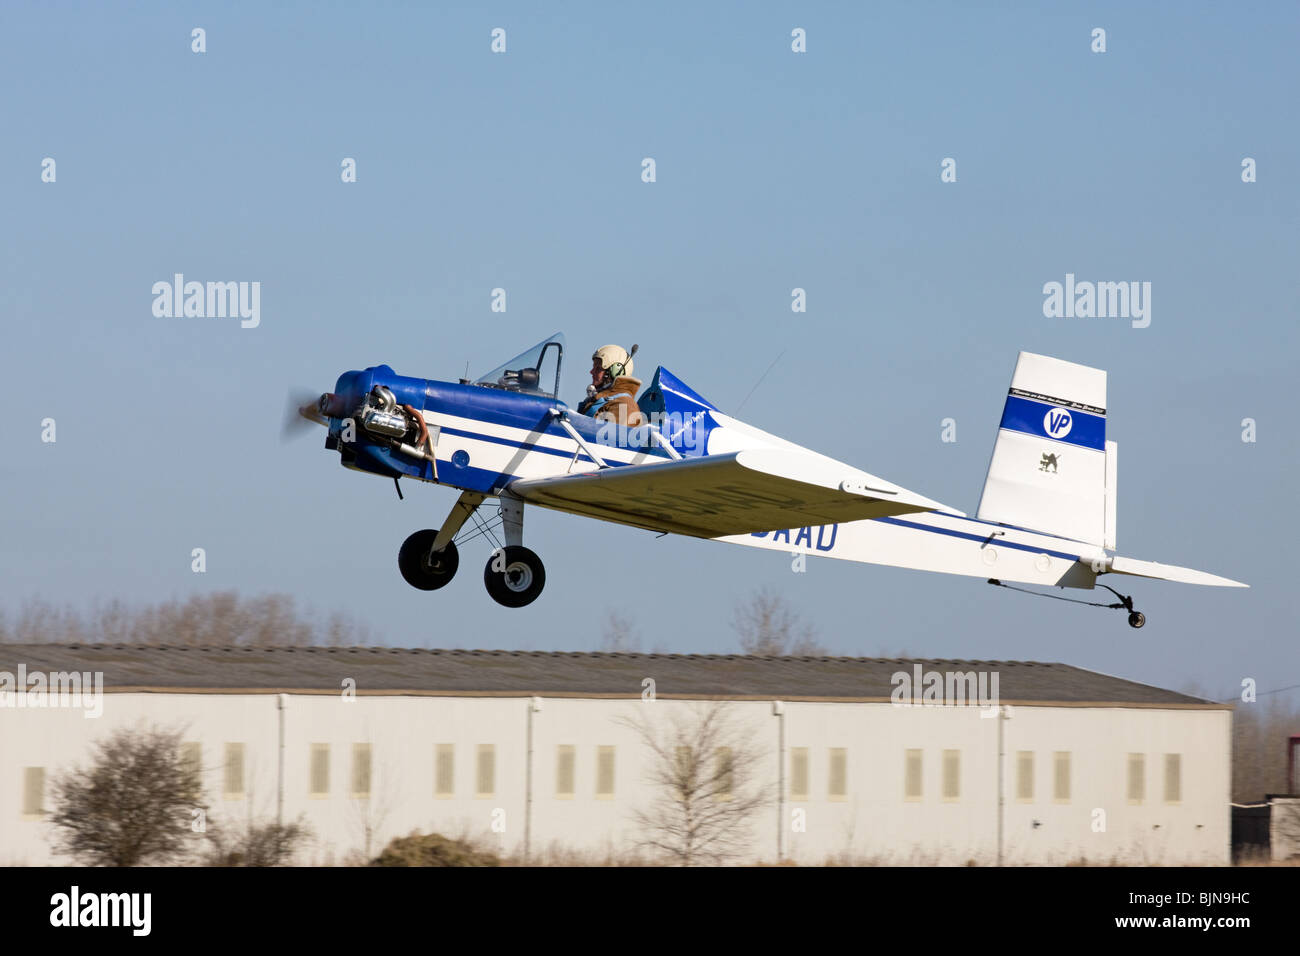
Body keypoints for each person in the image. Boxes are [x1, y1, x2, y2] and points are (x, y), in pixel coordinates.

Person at [577, 344, 645, 427]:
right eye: (593, 367)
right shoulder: (599, 401)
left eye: (598, 368)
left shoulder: (624, 405)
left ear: (616, 371)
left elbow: (616, 438)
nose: (591, 371)